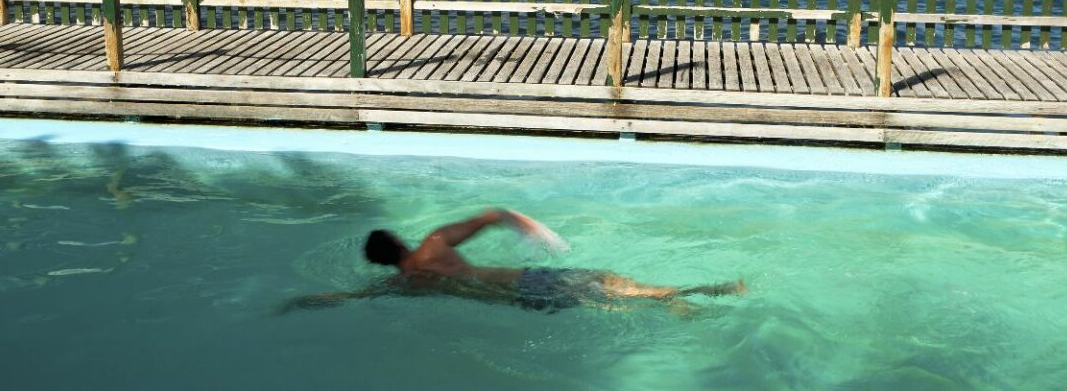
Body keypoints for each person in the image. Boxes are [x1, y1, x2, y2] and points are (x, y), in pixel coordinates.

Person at [280, 208, 744, 314]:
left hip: (517, 303)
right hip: (527, 277)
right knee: (609, 281)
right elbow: (495, 214)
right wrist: (530, 228)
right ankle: (690, 295)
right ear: (398, 241)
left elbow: (350, 296)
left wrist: (305, 300)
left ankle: (673, 301)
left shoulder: (407, 284)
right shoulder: (435, 244)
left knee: (602, 302)